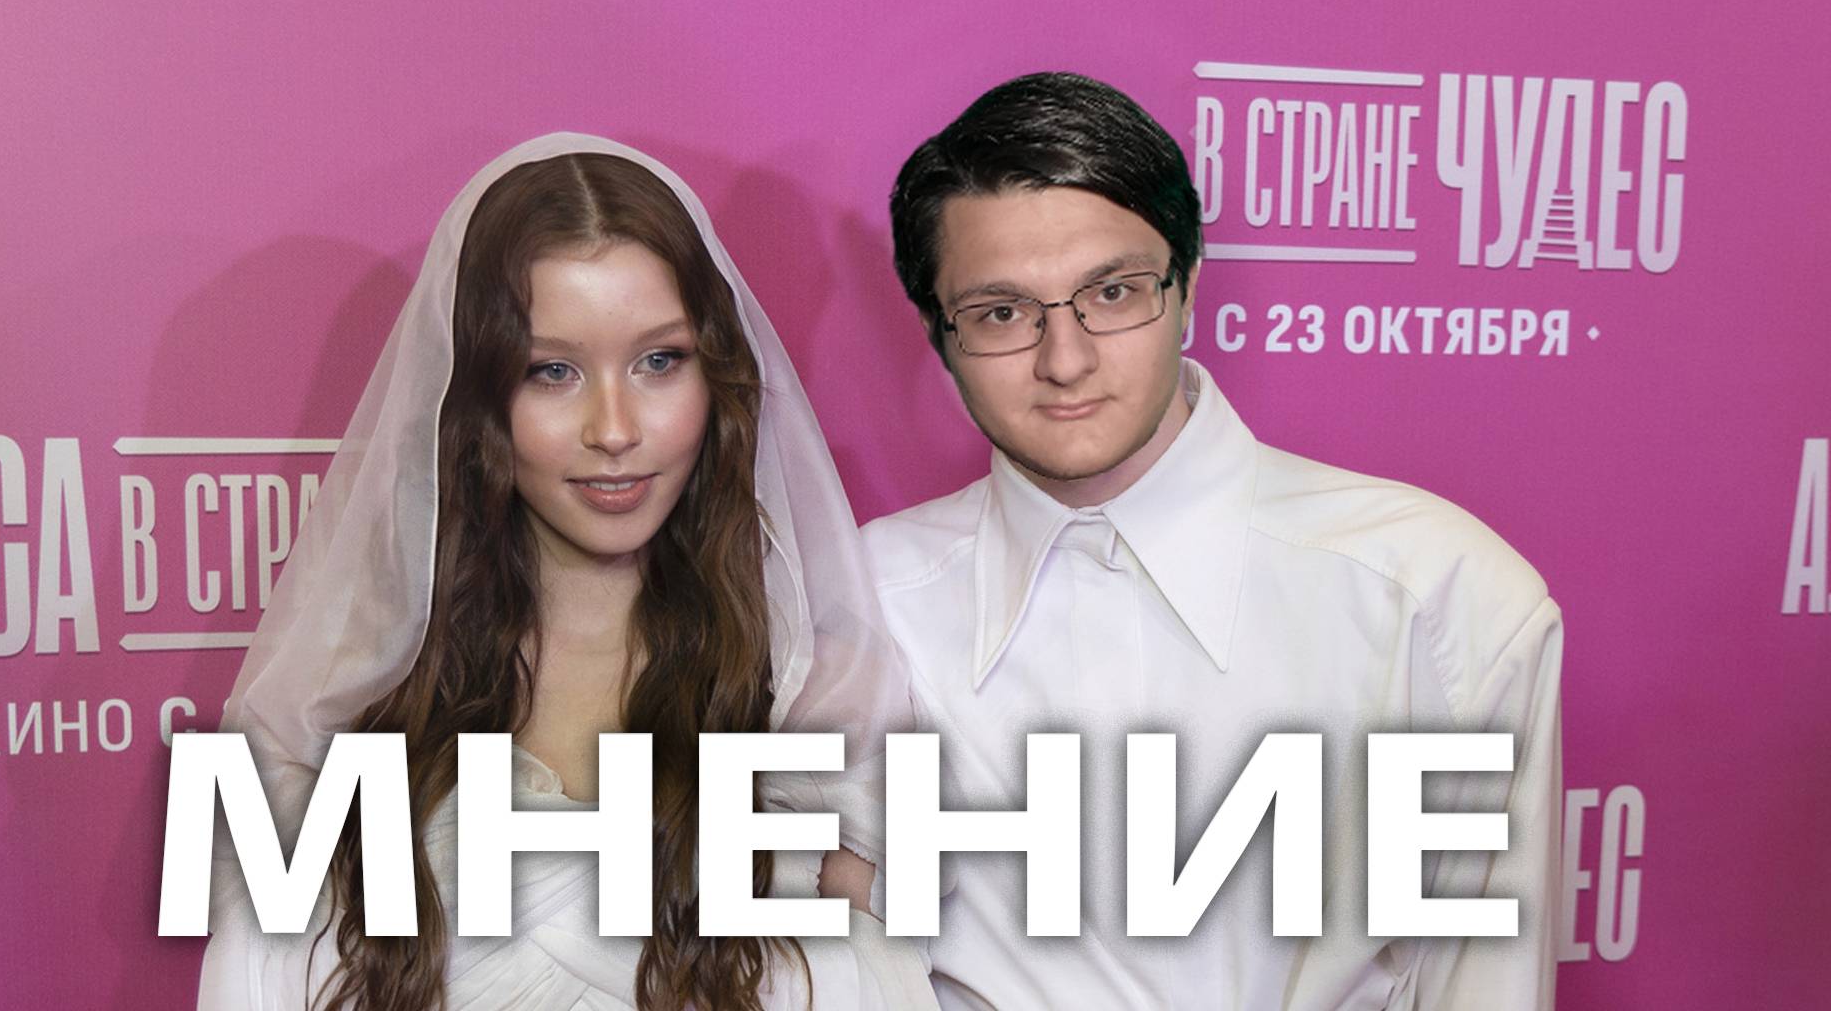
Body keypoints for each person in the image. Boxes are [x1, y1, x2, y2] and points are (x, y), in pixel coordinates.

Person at [857, 72, 1563, 1009]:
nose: (1065, 360)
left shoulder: (1436, 594)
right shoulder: (860, 603)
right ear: (936, 334)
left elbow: (1484, 984)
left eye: (1114, 293)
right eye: (1001, 313)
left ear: (1187, 287)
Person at [196, 134, 937, 1011]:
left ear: (717, 374)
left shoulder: (817, 691)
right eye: (552, 371)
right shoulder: (349, 698)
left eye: (660, 361)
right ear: (477, 398)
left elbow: (880, 980)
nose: (613, 428)